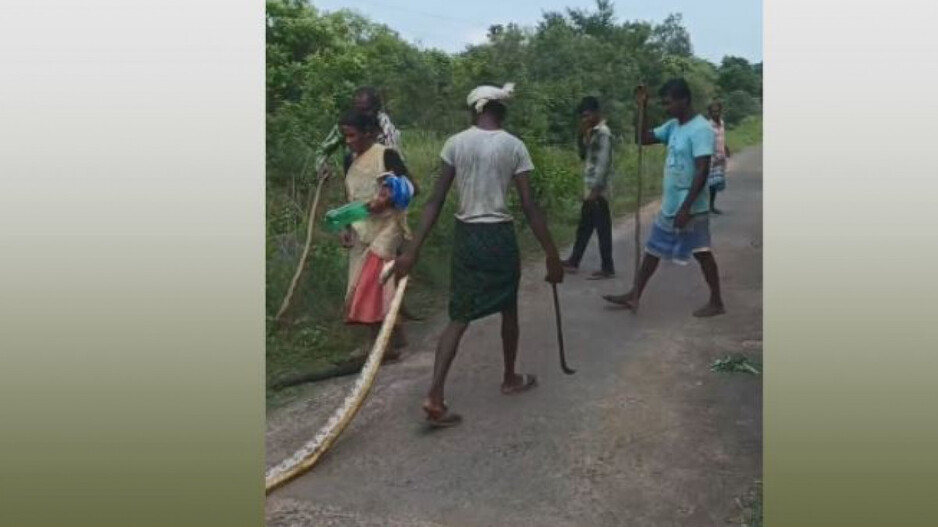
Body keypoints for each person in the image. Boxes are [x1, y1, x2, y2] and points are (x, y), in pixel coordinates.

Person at [393, 83, 564, 427]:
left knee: (459, 315)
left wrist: (412, 251)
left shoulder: (456, 143)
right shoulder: (514, 146)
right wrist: (552, 254)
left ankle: (435, 394)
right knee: (508, 308)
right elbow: (530, 206)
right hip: (499, 236)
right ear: (502, 111)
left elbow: (434, 201)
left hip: (467, 236)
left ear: (475, 110)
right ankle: (510, 378)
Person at [603, 79, 725, 318]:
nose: (667, 107)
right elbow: (642, 138)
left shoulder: (701, 129)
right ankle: (635, 294)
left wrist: (686, 208)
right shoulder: (673, 126)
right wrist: (643, 107)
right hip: (671, 205)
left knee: (702, 252)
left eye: (669, 103)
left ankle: (717, 301)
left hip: (690, 208)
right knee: (653, 250)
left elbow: (702, 171)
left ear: (685, 100)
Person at [330, 111, 416, 361]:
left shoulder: (386, 155)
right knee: (361, 283)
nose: (348, 141)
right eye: (344, 136)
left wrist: (389, 197)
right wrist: (345, 226)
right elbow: (351, 198)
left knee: (373, 283)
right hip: (361, 228)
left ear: (368, 133)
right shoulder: (349, 160)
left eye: (352, 135)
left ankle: (378, 343)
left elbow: (411, 188)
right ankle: (393, 335)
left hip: (388, 227)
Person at [562, 96, 615, 279]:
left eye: (587, 115)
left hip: (598, 190)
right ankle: (574, 260)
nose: (585, 119)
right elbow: (584, 156)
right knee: (584, 227)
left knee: (602, 229)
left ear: (596, 113)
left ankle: (607, 267)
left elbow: (603, 163)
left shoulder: (603, 133)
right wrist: (581, 135)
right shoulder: (591, 132)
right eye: (582, 117)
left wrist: (595, 190)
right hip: (590, 187)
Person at [706, 101, 731, 214]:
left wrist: (726, 148)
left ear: (721, 111)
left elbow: (721, 138)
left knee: (715, 184)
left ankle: (711, 206)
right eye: (713, 112)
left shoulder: (721, 123)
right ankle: (706, 206)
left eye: (717, 111)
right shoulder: (708, 126)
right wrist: (714, 157)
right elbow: (707, 143)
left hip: (721, 157)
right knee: (709, 184)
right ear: (709, 113)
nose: (715, 113)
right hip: (712, 159)